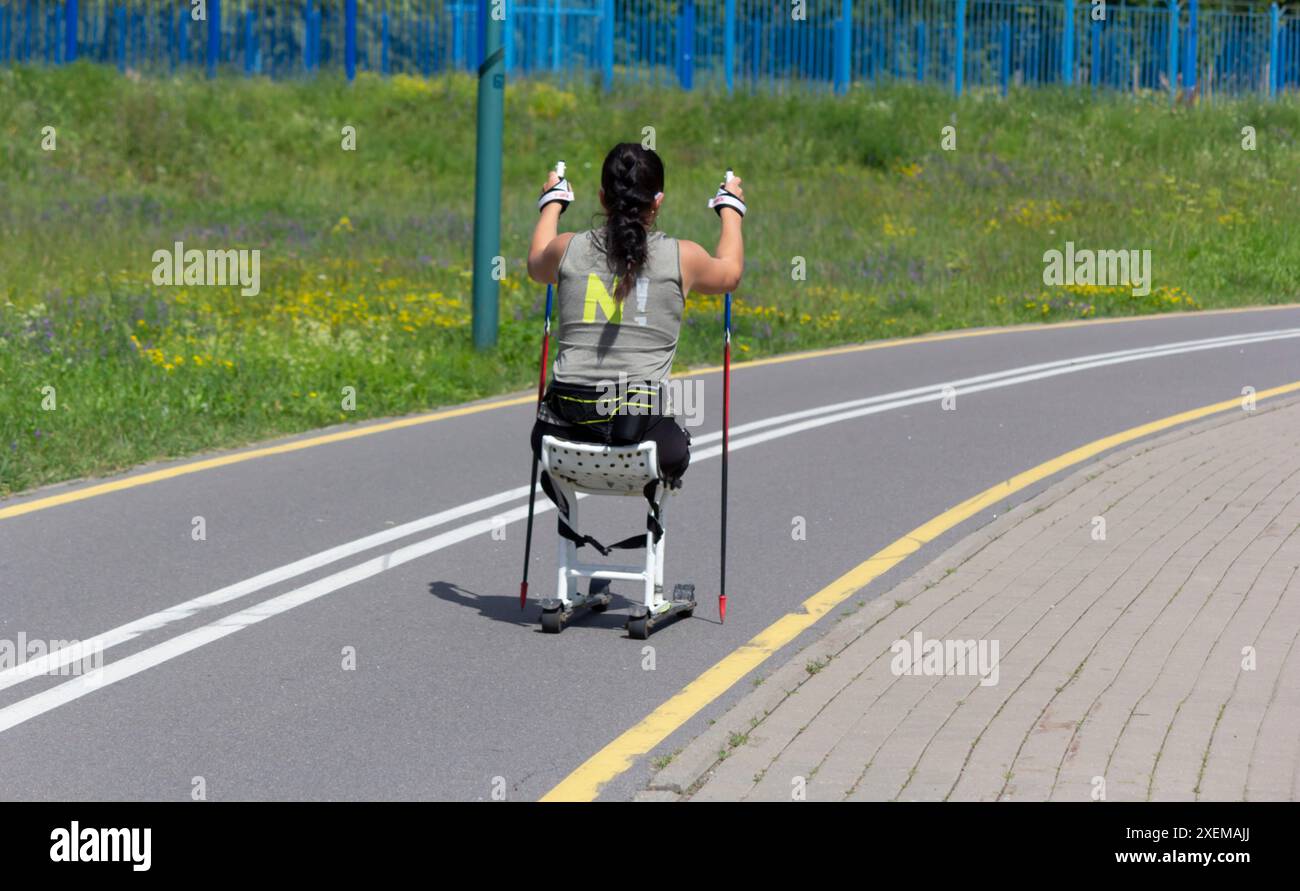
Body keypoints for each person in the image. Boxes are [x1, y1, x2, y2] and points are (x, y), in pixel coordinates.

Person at [526, 143, 745, 499]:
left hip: (559, 439)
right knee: (674, 443)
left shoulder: (566, 248)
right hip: (643, 441)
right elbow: (730, 274)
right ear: (657, 201)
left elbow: (536, 264)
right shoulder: (682, 256)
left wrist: (552, 202)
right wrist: (730, 209)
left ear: (601, 197)